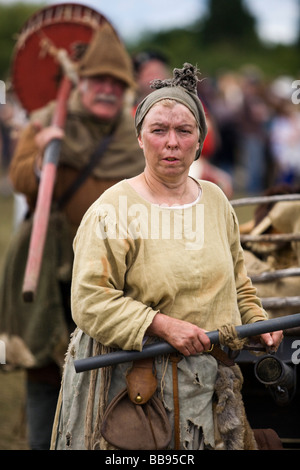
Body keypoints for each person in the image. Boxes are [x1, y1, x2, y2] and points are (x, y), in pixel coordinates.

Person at [51, 63, 283, 451]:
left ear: (199, 140)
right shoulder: (112, 210)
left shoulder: (216, 201)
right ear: (140, 138)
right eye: (158, 130)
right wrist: (160, 325)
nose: (171, 142)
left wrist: (256, 321)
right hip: (134, 393)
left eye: (184, 130)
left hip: (212, 388)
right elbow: (89, 301)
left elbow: (239, 283)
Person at [0, 22, 145, 450]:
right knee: (47, 366)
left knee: (111, 363)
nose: (107, 90)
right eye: (99, 80)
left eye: (116, 84)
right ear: (81, 81)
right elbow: (21, 180)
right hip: (48, 262)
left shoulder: (135, 133)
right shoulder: (47, 121)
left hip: (114, 265)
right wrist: (45, 154)